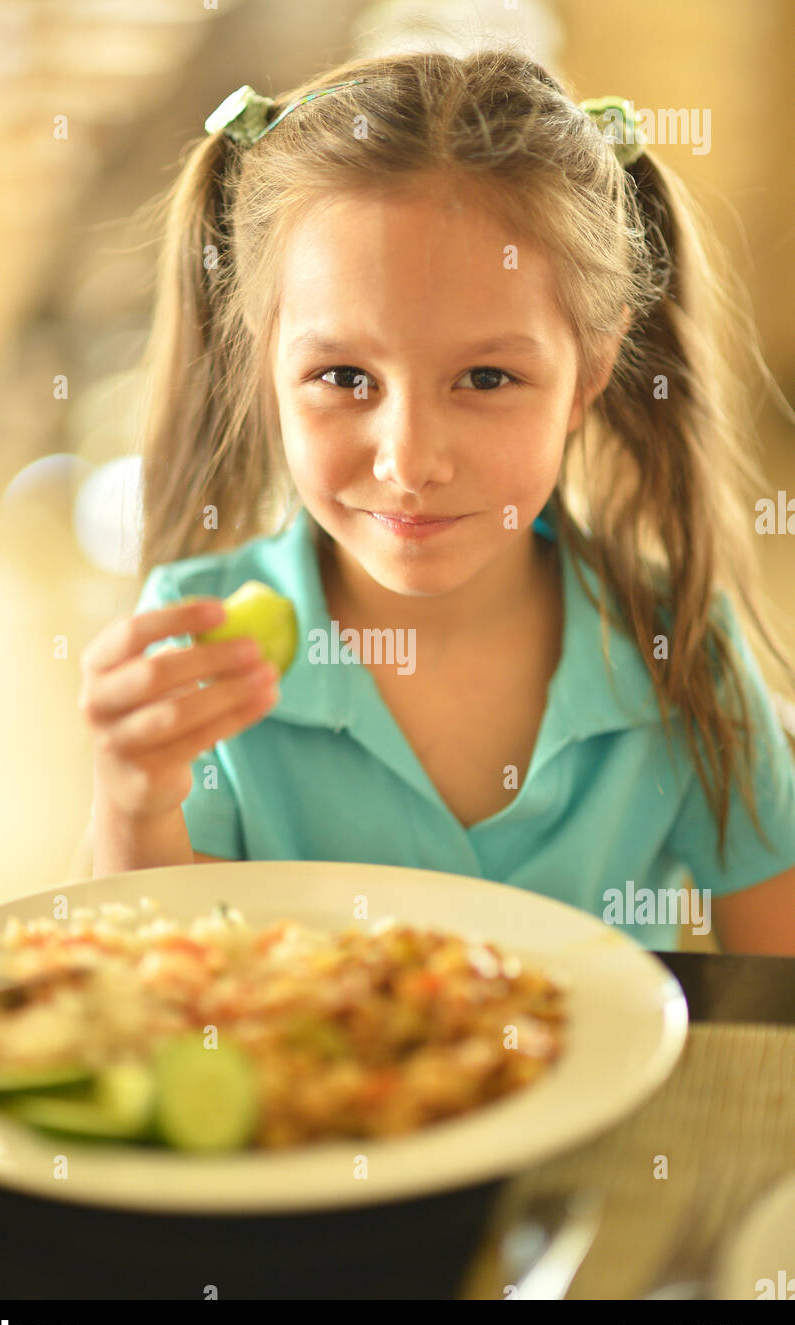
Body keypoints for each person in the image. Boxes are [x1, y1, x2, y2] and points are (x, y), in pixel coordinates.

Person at [77, 47, 795, 953]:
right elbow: (161, 998)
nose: (410, 462)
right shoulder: (198, 646)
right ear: (263, 365)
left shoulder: (682, 650)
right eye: (343, 374)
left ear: (590, 375)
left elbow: (776, 1009)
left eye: (486, 377)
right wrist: (133, 807)